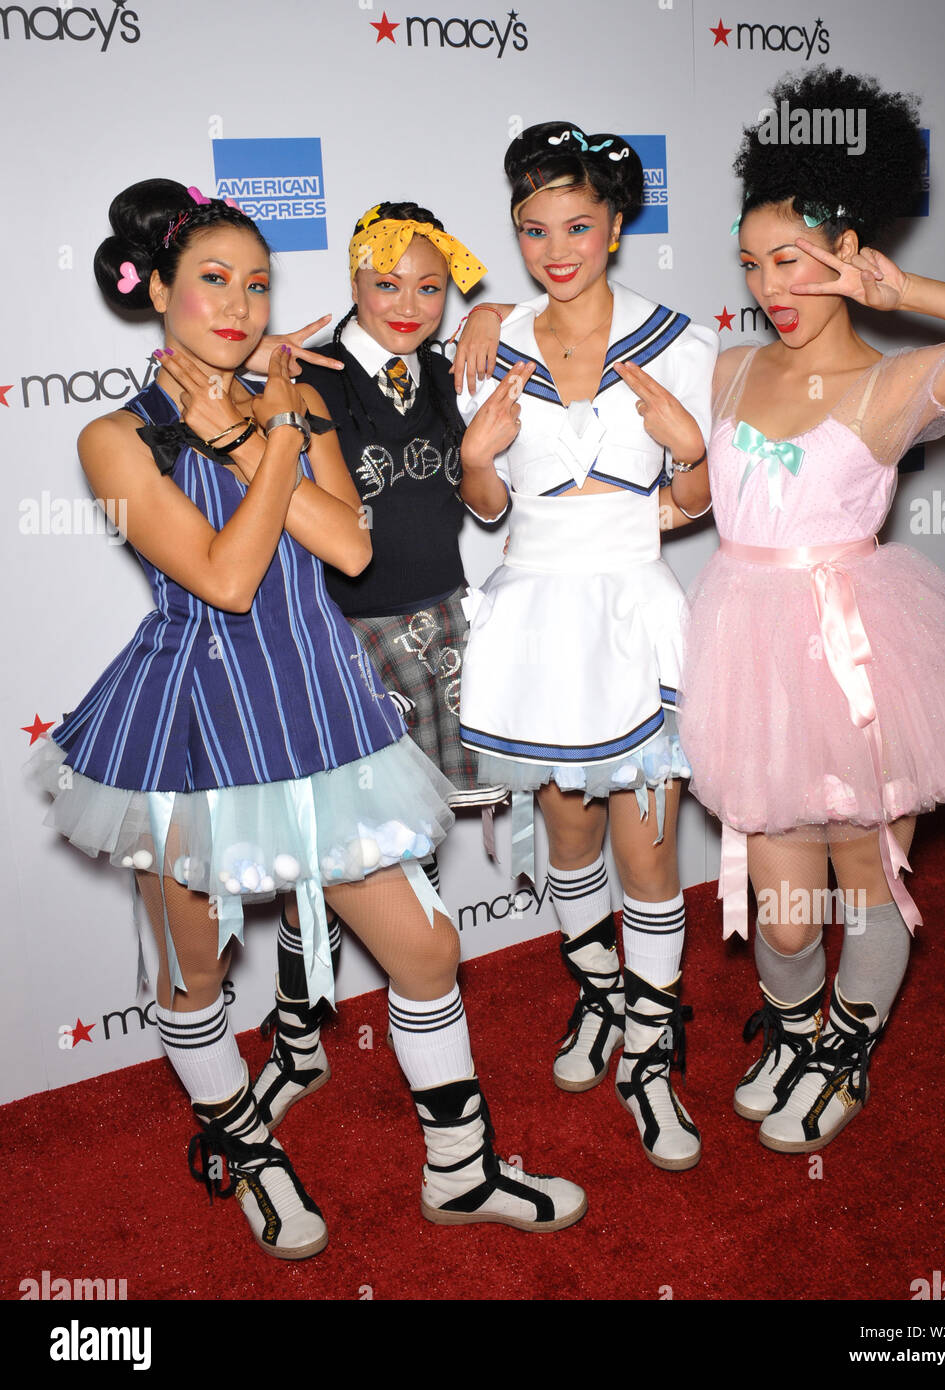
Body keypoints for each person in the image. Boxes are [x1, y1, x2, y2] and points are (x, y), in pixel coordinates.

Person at [34, 179, 586, 1260]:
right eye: (211, 281)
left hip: (318, 703)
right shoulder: (115, 438)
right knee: (193, 972)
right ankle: (248, 1148)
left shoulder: (291, 402)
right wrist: (271, 431)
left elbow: (348, 548)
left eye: (255, 282)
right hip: (192, 723)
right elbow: (227, 579)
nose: (238, 305)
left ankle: (460, 1173)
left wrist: (253, 428)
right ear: (156, 294)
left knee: (425, 948)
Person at [677, 68, 945, 1153]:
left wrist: (901, 290)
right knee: (783, 915)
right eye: (750, 262)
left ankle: (847, 1046)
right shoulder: (731, 367)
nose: (765, 283)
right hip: (745, 648)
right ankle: (795, 1030)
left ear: (842, 251)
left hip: (859, 656)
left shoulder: (897, 383)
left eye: (788, 258)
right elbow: (671, 454)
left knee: (865, 880)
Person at [455, 123, 718, 1171]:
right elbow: (482, 506)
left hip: (631, 611)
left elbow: (694, 502)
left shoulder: (685, 342)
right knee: (568, 841)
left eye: (575, 223)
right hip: (529, 613)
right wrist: (475, 458)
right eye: (531, 229)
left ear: (614, 225)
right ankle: (597, 998)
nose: (554, 247)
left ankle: (651, 1054)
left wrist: (687, 459)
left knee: (647, 850)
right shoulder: (484, 340)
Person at [250, 201, 510, 1131]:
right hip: (343, 640)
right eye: (386, 283)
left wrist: (488, 313)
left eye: (431, 287)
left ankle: (414, 1014)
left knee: (417, 847)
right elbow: (218, 400)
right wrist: (258, 359)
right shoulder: (309, 373)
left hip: (439, 631)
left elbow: (547, 325)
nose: (408, 303)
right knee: (324, 862)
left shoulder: (452, 367)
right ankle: (295, 1035)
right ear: (352, 281)